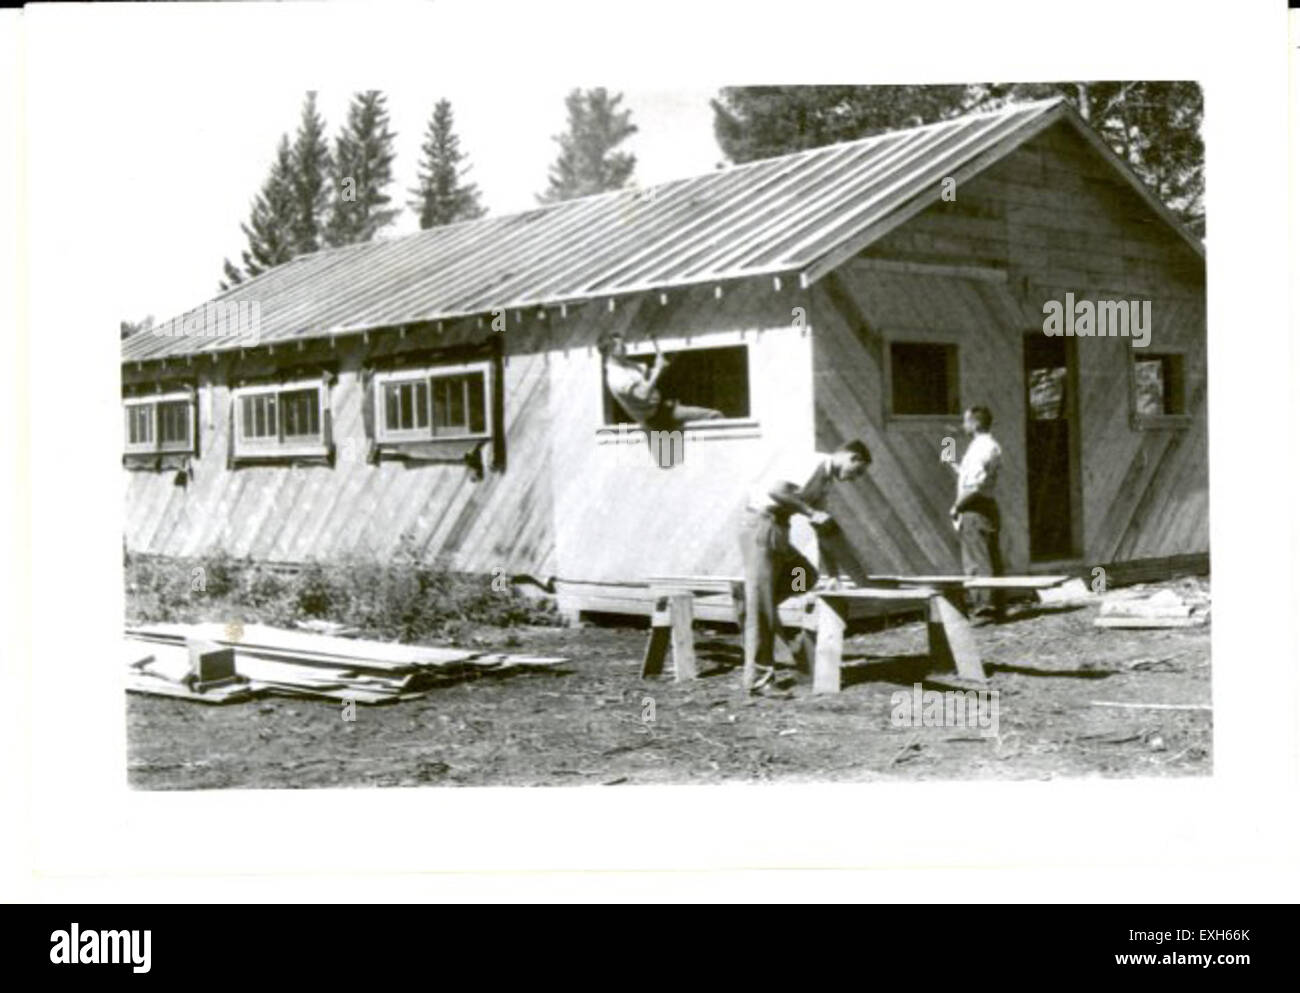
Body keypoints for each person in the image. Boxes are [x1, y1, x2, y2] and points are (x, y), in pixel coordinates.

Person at [739, 441, 871, 692]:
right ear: (852, 457)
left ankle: (750, 604)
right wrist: (810, 512)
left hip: (778, 530)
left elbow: (823, 529)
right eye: (858, 471)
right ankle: (758, 681)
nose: (855, 478)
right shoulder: (812, 462)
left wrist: (833, 574)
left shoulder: (826, 481)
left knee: (804, 577)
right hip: (761, 526)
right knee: (761, 606)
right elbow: (777, 492)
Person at [941, 405, 1004, 623]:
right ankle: (996, 607)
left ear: (975, 424)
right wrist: (950, 456)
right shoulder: (988, 446)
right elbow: (971, 477)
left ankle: (984, 609)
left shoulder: (980, 449)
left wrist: (957, 507)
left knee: (977, 561)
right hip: (985, 506)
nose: (963, 426)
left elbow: (974, 486)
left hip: (975, 508)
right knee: (989, 557)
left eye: (966, 421)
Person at [598, 331, 724, 432]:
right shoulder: (617, 377)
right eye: (622, 346)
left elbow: (649, 375)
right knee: (715, 415)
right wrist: (658, 369)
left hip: (663, 406)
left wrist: (660, 365)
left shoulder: (626, 365)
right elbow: (643, 394)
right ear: (611, 351)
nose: (626, 348)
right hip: (656, 417)